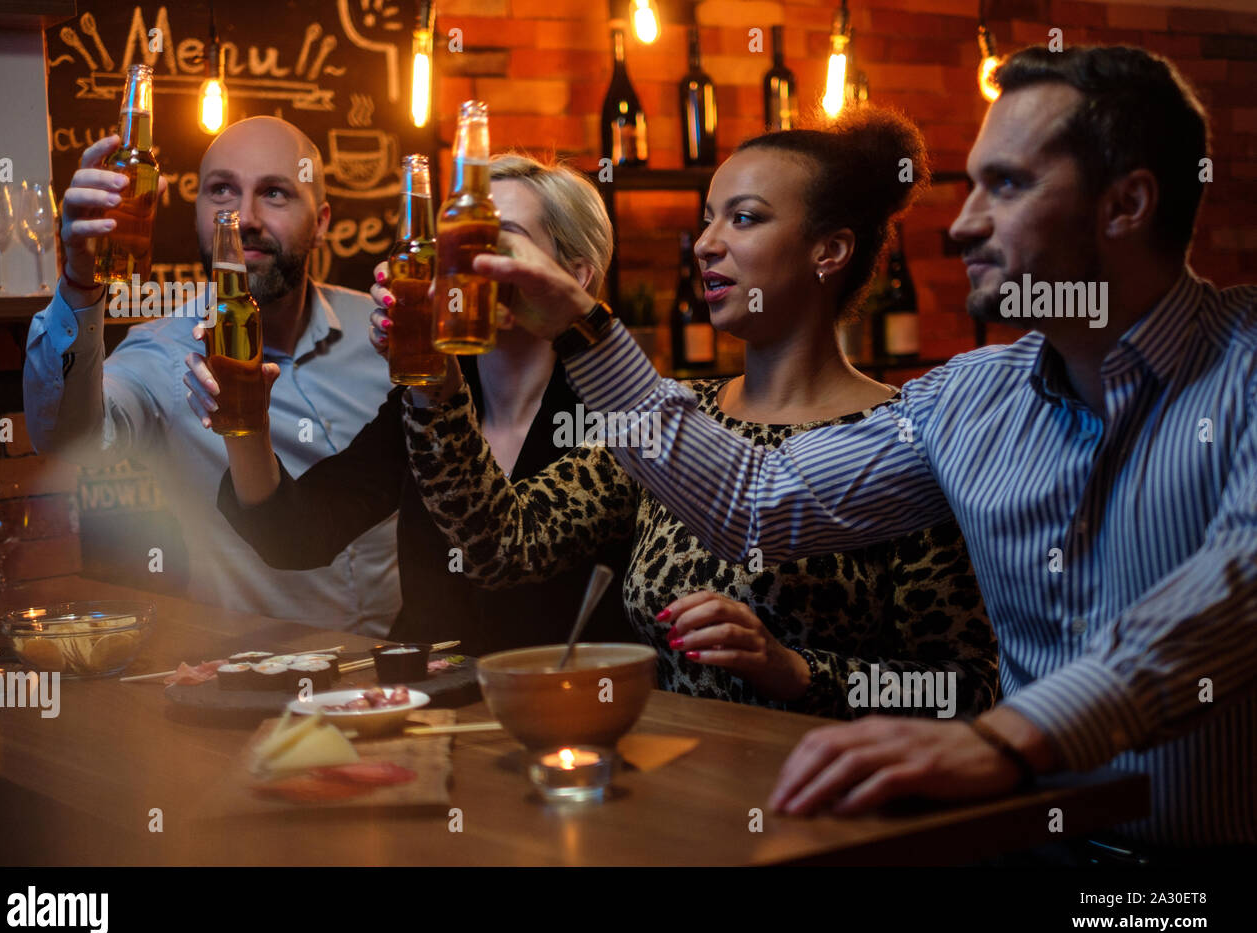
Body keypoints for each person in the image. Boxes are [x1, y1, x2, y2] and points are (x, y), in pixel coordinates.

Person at [461, 46, 1257, 855]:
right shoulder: (968, 395)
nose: (962, 222)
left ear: (1126, 204)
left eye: (1007, 185)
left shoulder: (1247, 366)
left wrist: (1008, 736)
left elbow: (1236, 586)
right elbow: (757, 500)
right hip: (1019, 847)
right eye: (972, 182)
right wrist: (585, 326)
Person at [398, 112, 997, 717]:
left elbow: (964, 690)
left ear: (831, 250)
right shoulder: (683, 419)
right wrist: (433, 377)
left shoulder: (897, 444)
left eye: (744, 217)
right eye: (707, 217)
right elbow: (503, 544)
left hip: (822, 789)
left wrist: (796, 671)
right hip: (675, 781)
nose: (708, 242)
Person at [185, 154, 632, 655]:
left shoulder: (617, 415)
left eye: (499, 241)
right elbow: (294, 537)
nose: (468, 262)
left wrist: (433, 379)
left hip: (565, 706)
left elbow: (501, 546)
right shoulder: (418, 402)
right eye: (459, 243)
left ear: (577, 278)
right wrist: (247, 422)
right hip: (427, 708)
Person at [23, 117, 400, 637]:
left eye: (274, 192)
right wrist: (79, 286)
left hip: (401, 670)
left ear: (322, 220)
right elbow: (69, 436)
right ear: (197, 211)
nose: (244, 218)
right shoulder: (162, 353)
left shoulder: (387, 333)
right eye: (221, 190)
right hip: (247, 679)